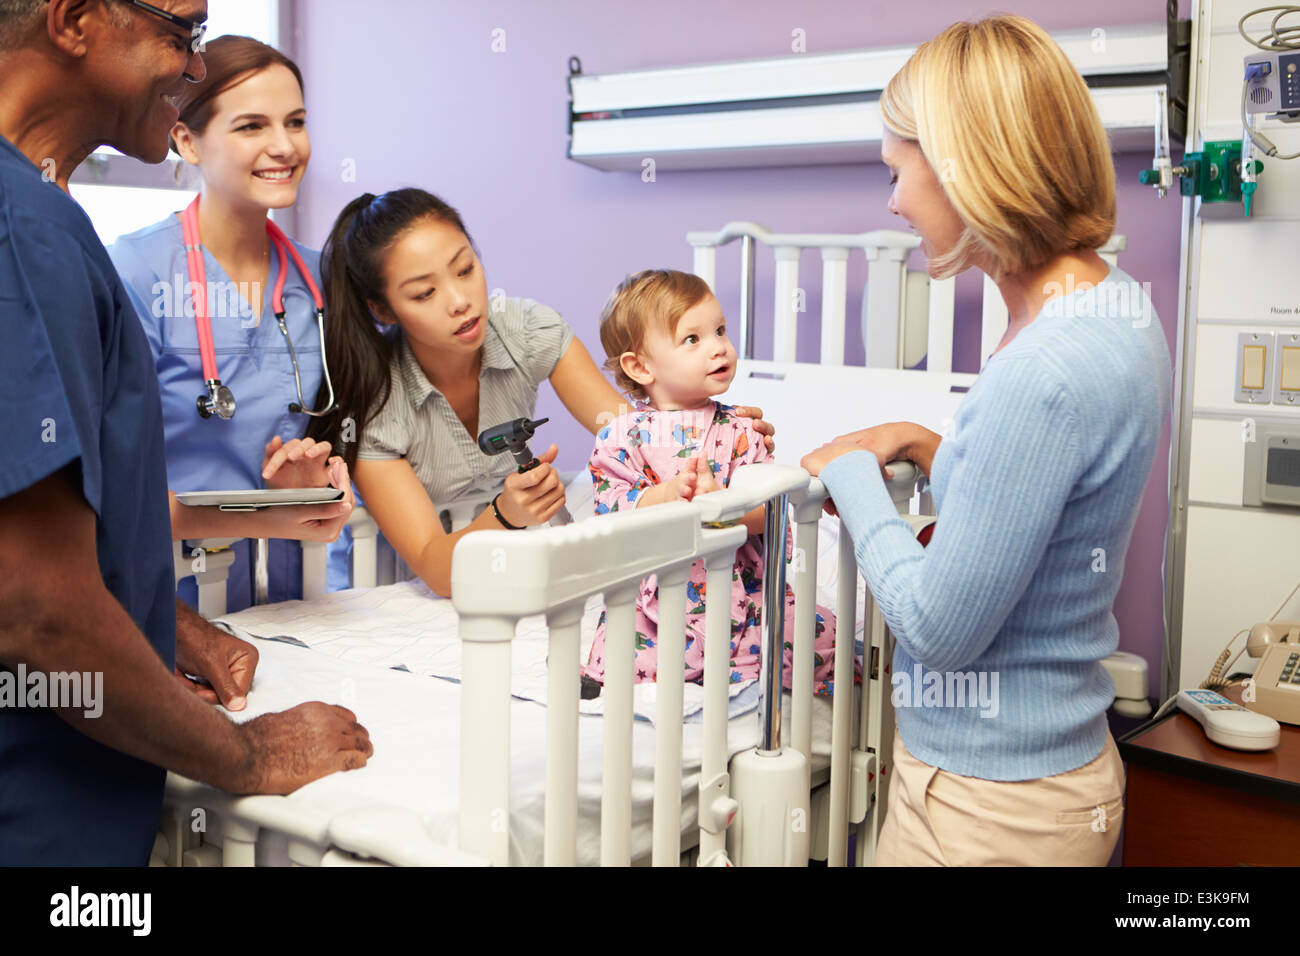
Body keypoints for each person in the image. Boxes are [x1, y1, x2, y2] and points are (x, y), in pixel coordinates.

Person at [0, 0, 370, 865]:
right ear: (75, 20)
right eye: (182, 34)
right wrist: (249, 753)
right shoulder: (26, 235)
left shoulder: (39, 219)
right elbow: (34, 610)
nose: (194, 67)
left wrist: (156, 620)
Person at [800, 15, 1171, 866]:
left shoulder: (1042, 368)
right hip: (1051, 774)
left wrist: (854, 476)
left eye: (898, 171)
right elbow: (1056, 492)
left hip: (987, 811)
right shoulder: (1113, 306)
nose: (892, 201)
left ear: (969, 166)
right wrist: (942, 452)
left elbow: (938, 627)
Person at [304, 189, 775, 598]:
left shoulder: (526, 330)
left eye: (466, 269)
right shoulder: (376, 407)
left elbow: (637, 438)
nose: (460, 300)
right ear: (383, 309)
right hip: (408, 581)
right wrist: (506, 513)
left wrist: (707, 425)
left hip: (519, 564)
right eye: (425, 294)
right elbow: (435, 567)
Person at [108, 34, 354, 614]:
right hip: (172, 598)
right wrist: (271, 512)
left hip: (299, 597)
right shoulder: (136, 272)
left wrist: (314, 483)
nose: (283, 145)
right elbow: (107, 485)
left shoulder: (322, 278)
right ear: (187, 141)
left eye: (295, 122)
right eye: (251, 127)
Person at [580, 270, 840, 697]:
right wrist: (667, 496)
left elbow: (769, 513)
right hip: (657, 598)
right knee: (627, 646)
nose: (719, 346)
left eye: (720, 330)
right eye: (692, 339)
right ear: (641, 366)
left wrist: (724, 502)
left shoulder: (742, 429)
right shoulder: (620, 436)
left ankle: (755, 674)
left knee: (815, 632)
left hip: (745, 591)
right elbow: (613, 512)